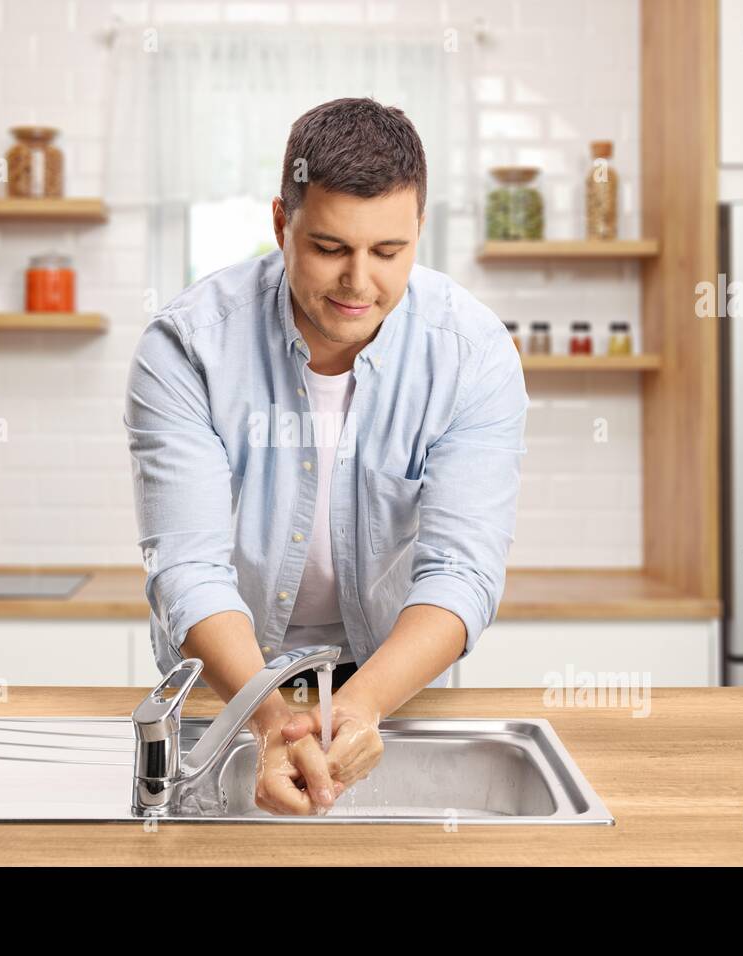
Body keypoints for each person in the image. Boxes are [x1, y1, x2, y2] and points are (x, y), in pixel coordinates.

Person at [124, 96, 528, 816]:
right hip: (228, 692)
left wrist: (363, 705)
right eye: (331, 248)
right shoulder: (187, 348)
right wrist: (271, 717)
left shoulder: (474, 355)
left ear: (419, 230)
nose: (359, 284)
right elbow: (188, 568)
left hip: (394, 694)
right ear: (282, 223)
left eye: (388, 252)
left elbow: (462, 571)